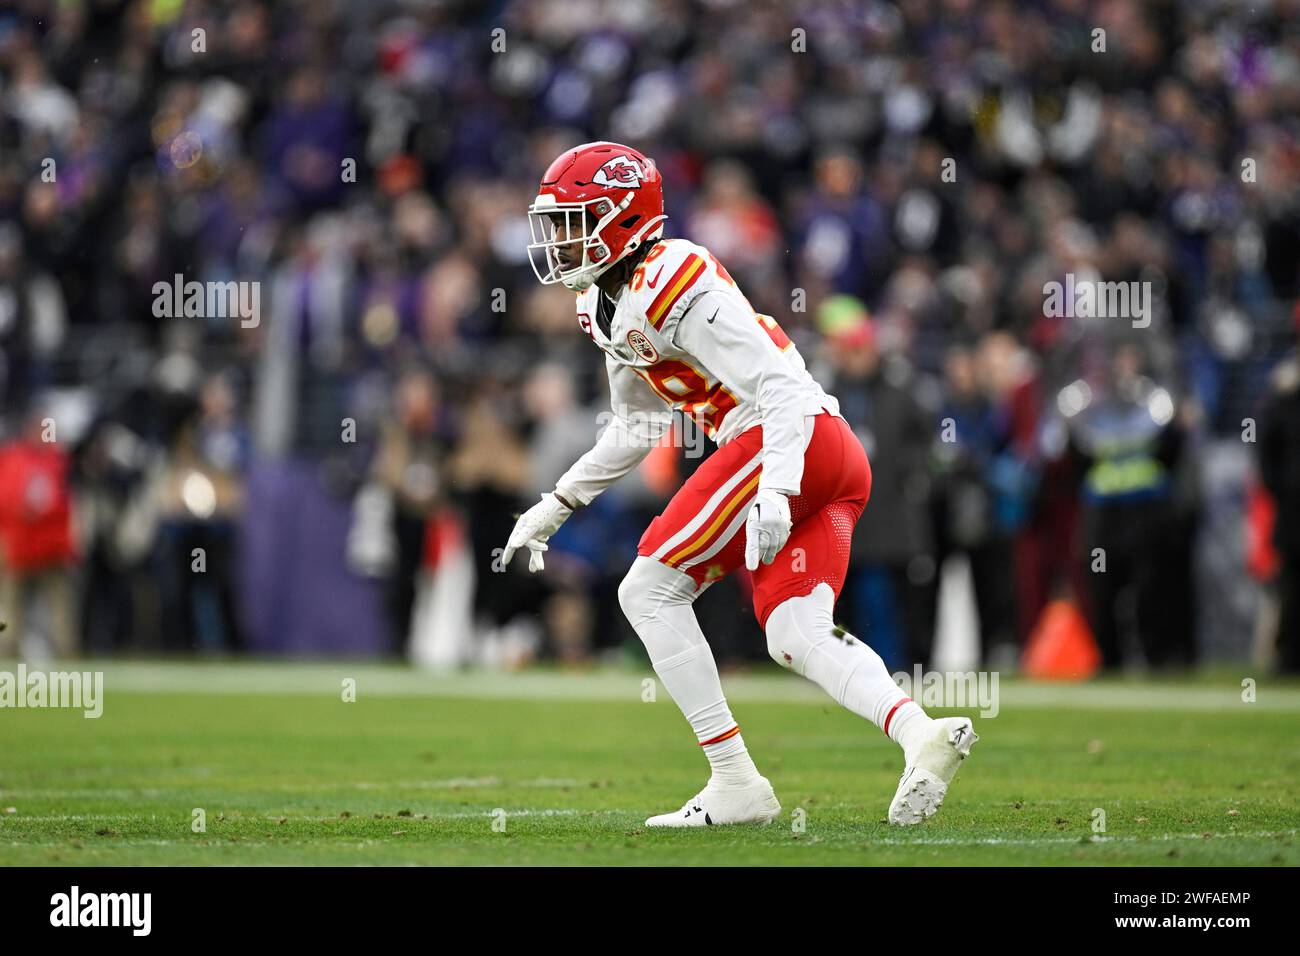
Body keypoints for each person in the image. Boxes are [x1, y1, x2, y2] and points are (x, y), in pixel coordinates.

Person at [502, 142, 978, 827]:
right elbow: (636, 427)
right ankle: (920, 735)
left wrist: (778, 490)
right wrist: (558, 503)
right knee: (793, 632)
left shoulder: (671, 274)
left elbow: (781, 388)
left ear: (624, 218)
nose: (563, 239)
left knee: (648, 589)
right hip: (823, 450)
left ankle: (735, 782)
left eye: (577, 220)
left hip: (788, 439)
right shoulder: (603, 304)